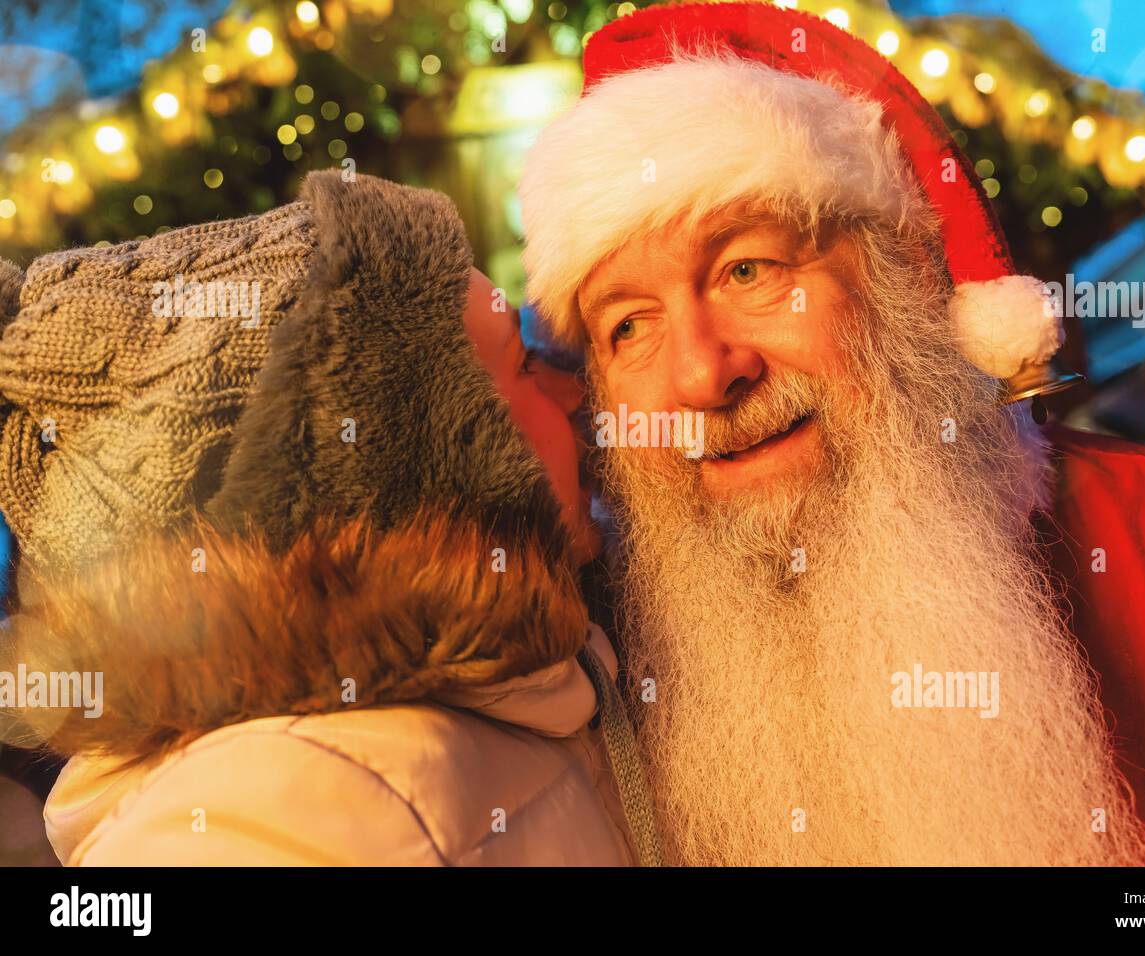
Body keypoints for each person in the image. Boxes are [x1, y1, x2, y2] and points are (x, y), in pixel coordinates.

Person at [517, 2, 1145, 866]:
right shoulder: (578, 705)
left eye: (749, 270)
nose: (704, 375)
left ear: (907, 275)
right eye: (628, 326)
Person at [0, 171, 659, 866]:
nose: (576, 390)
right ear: (403, 467)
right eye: (525, 366)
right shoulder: (280, 812)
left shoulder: (530, 679)